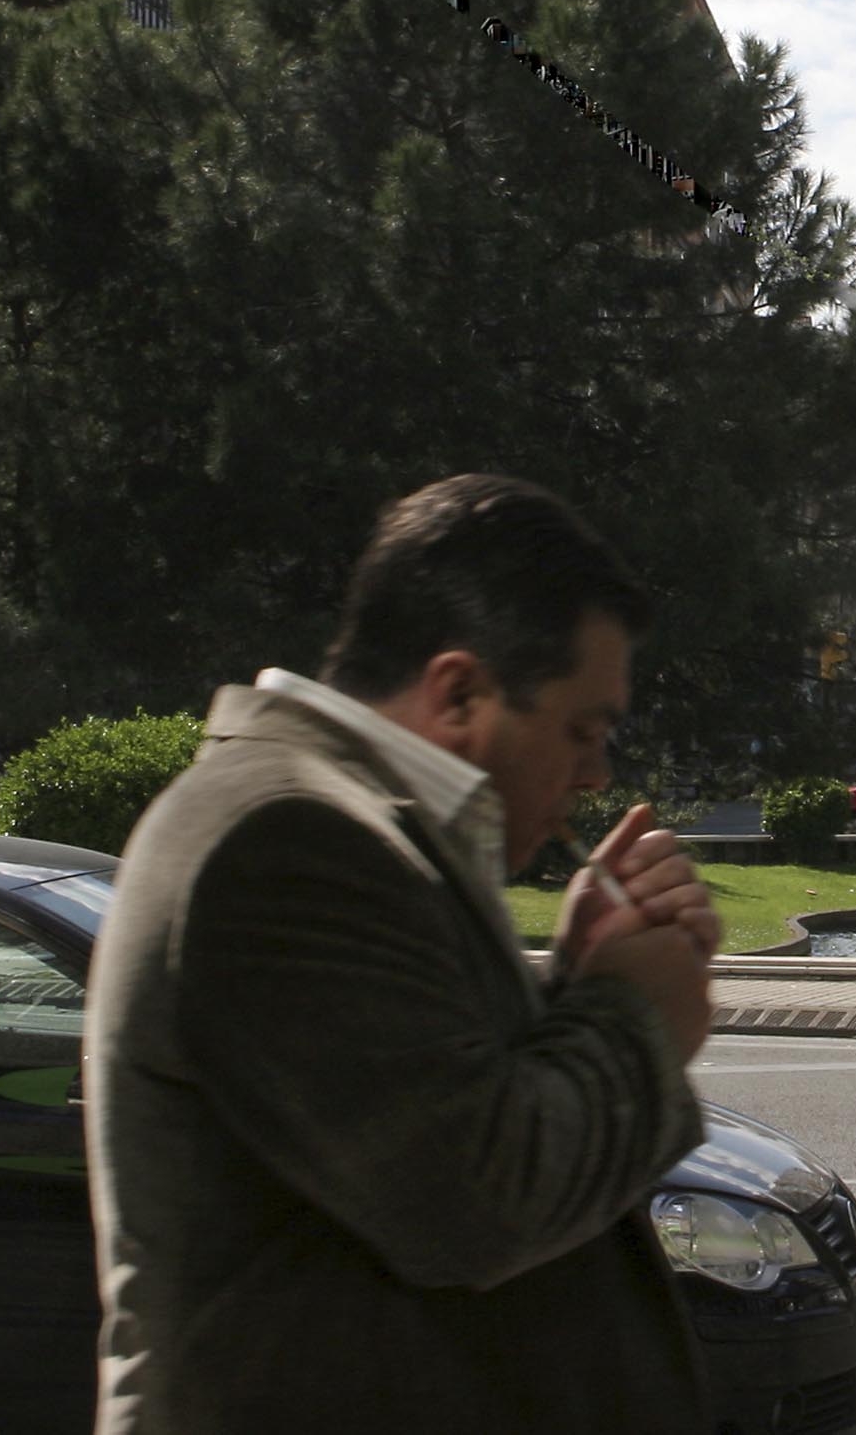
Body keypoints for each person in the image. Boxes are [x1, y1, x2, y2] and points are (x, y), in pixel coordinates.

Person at [86, 475, 722, 1435]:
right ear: (460, 690)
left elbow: (422, 1098)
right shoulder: (285, 838)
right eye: (582, 729)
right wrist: (634, 1016)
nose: (596, 775)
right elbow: (476, 1202)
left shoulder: (350, 829)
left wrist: (572, 974)